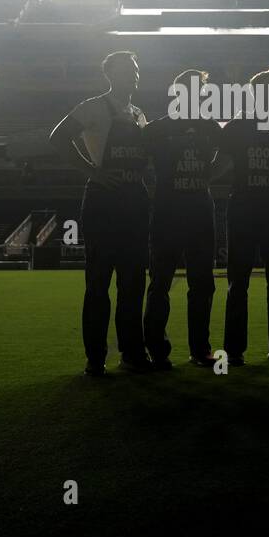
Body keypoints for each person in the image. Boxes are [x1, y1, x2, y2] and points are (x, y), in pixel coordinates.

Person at [48, 52, 154, 376]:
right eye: (126, 70)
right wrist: (91, 171)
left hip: (134, 200)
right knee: (98, 284)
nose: (133, 75)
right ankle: (95, 359)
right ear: (110, 74)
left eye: (136, 70)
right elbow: (58, 137)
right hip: (104, 201)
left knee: (133, 283)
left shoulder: (139, 114)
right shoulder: (93, 107)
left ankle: (132, 354)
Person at [214, 69, 269, 365]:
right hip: (243, 211)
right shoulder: (236, 128)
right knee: (238, 282)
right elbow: (220, 168)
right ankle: (235, 350)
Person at [143, 70, 222, 368]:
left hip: (200, 212)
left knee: (202, 283)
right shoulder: (156, 129)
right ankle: (157, 350)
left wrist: (209, 175)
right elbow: (136, 161)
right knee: (160, 282)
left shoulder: (210, 127)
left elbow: (228, 155)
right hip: (168, 213)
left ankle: (199, 349)